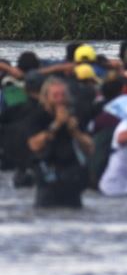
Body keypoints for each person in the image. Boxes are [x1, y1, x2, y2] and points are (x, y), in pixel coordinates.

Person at [23, 78, 92, 208]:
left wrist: (75, 132)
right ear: (46, 98)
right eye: (55, 96)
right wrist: (56, 124)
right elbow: (34, 145)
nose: (60, 99)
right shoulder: (37, 116)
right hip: (47, 173)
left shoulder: (75, 115)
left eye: (63, 95)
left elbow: (90, 148)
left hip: (72, 174)